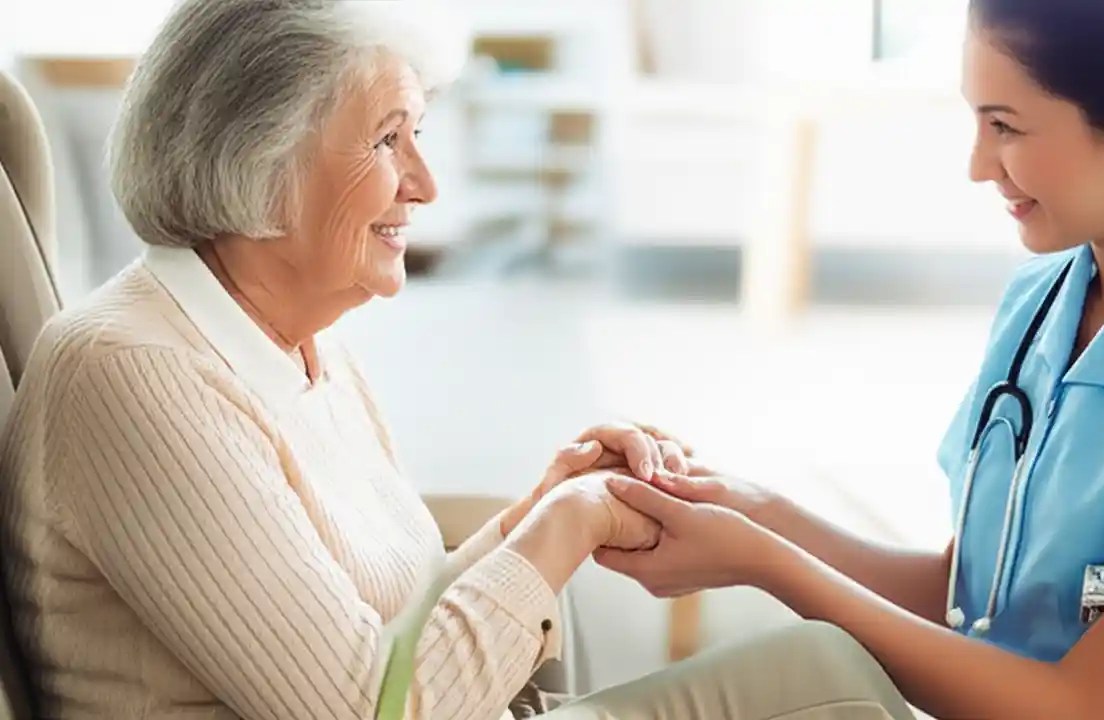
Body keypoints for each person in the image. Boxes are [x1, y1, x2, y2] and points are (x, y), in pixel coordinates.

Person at [0, 1, 910, 718]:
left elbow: (390, 626)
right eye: (388, 138)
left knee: (822, 669)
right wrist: (573, 525)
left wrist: (542, 507)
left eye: (419, 134)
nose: (426, 184)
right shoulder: (130, 372)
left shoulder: (299, 350)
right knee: (824, 678)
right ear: (258, 156)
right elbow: (371, 709)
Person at [598, 0, 1104, 718]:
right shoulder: (1042, 299)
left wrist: (766, 563)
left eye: (1006, 127)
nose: (978, 165)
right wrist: (754, 512)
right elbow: (970, 599)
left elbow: (1085, 707)